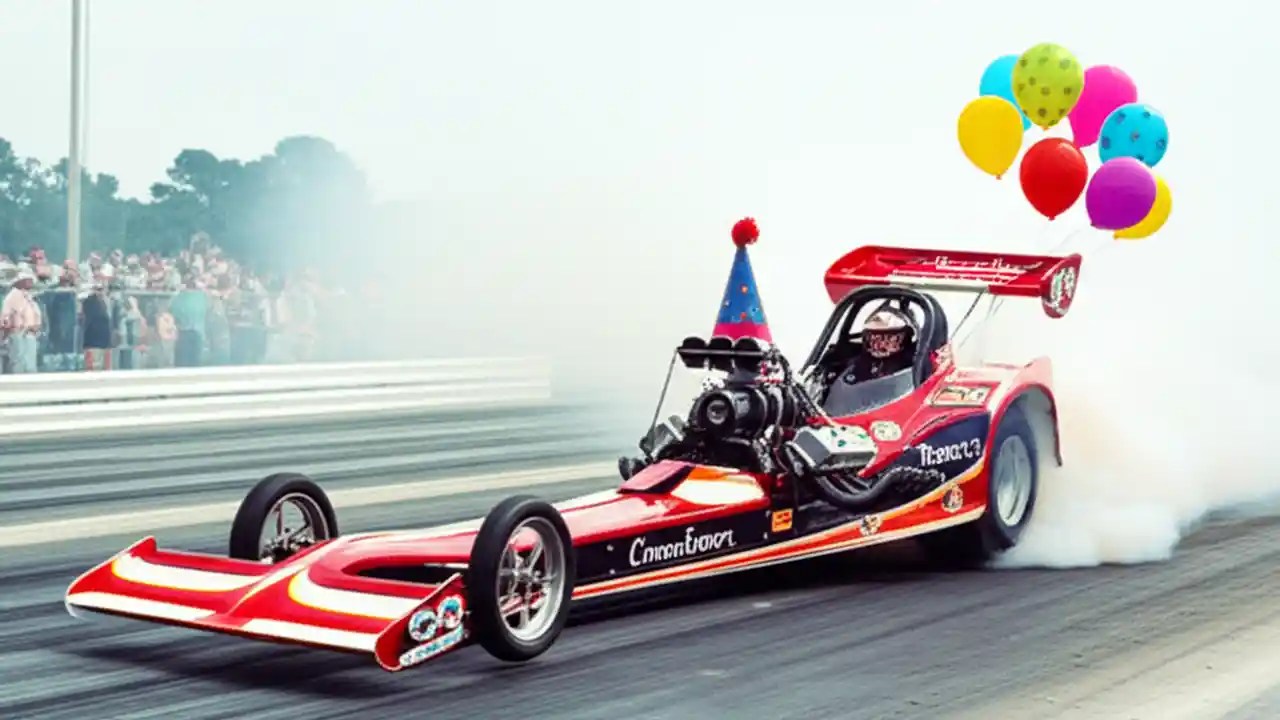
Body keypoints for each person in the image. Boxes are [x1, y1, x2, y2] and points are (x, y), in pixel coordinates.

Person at [843, 307, 915, 383]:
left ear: (905, 338)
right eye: (873, 339)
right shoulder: (859, 362)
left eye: (887, 339)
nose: (877, 345)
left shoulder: (912, 365)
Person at [1, 270, 43, 373]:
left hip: (30, 334)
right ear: (20, 282)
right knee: (18, 362)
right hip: (18, 333)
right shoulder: (12, 297)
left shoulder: (30, 297)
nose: (30, 282)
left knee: (30, 364)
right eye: (27, 280)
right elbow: (6, 316)